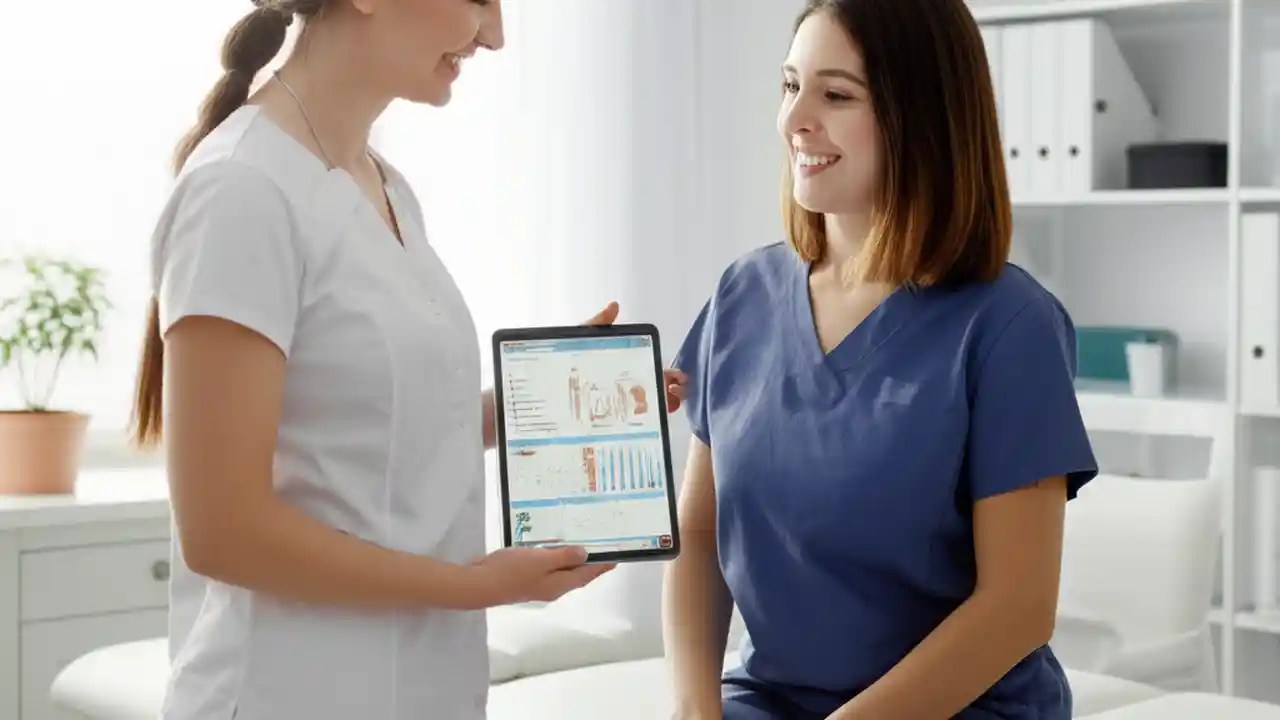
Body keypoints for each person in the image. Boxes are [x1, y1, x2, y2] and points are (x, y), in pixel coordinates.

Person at [130, 2, 685, 719]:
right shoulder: (239, 190)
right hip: (289, 693)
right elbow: (224, 534)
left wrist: (549, 398)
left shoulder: (384, 186)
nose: (495, 35)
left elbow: (373, 425)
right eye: (479, 0)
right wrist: (479, 586)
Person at [662, 0, 1099, 718]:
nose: (795, 119)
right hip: (771, 701)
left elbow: (1017, 607)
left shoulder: (1008, 325)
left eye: (836, 95)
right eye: (790, 85)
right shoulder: (742, 294)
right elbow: (702, 532)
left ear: (921, 118)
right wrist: (693, 710)